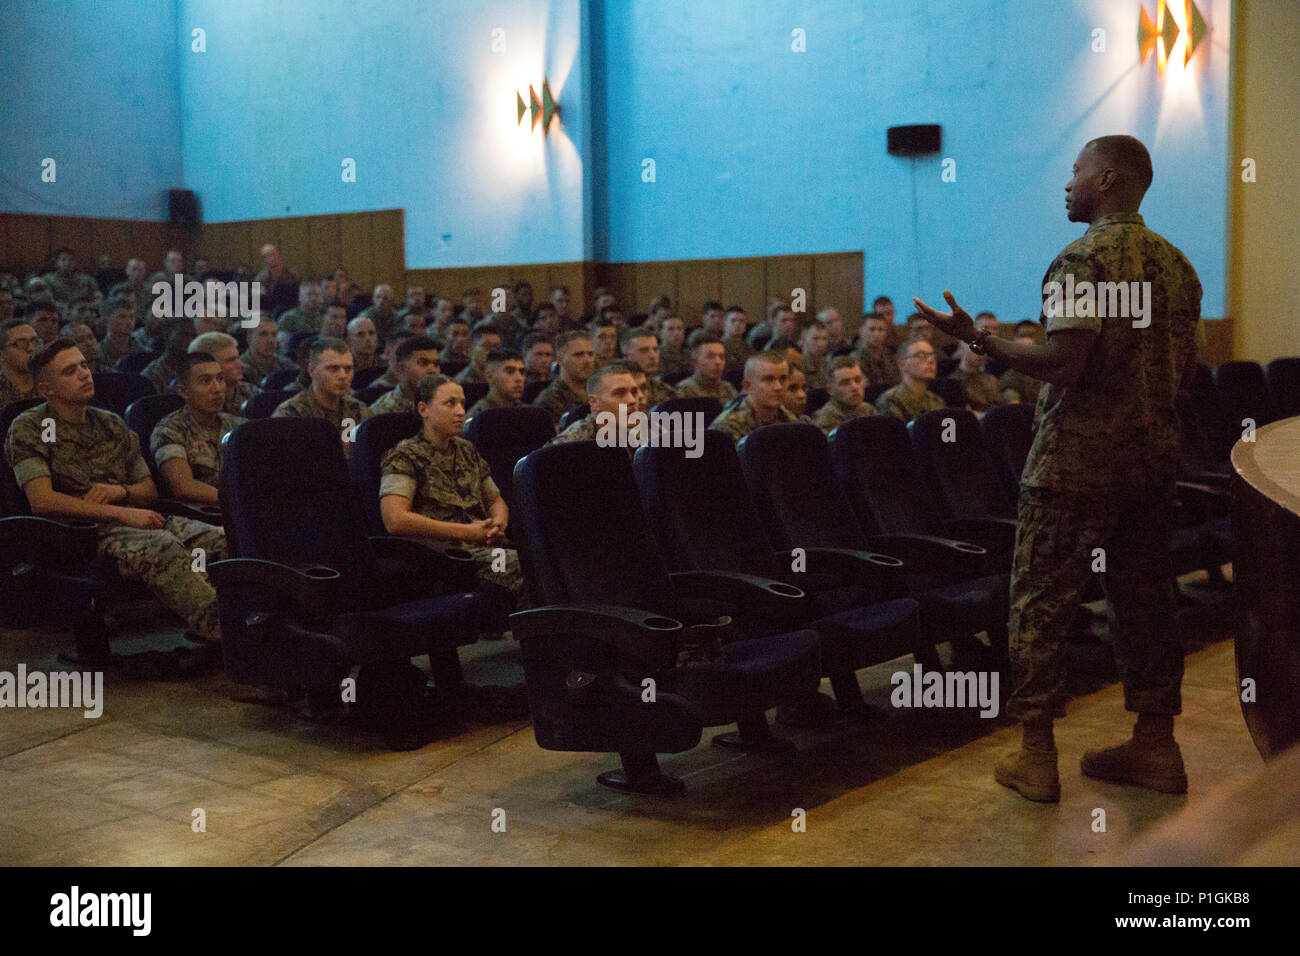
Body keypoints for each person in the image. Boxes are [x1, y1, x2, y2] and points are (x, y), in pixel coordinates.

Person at [913, 134, 1202, 803]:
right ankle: (1156, 747)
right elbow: (1186, 370)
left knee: (1040, 602)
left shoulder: (1080, 261)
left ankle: (1036, 755)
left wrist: (979, 339)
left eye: (1074, 174)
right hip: (1153, 459)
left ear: (1105, 180)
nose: (1066, 186)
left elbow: (1064, 363)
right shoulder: (1178, 266)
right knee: (1147, 600)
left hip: (1074, 463)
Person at [6, 338, 225, 640]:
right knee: (163, 547)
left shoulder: (110, 423)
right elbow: (42, 501)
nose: (85, 374)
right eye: (70, 371)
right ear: (47, 389)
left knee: (220, 539)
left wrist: (120, 493)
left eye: (84, 365)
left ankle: (242, 624)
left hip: (138, 518)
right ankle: (227, 633)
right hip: (83, 535)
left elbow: (148, 490)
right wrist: (119, 512)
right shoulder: (30, 426)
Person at [379, 373, 526, 610]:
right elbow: (395, 520)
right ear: (424, 409)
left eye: (462, 404)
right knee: (520, 564)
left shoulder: (466, 449)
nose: (460, 411)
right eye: (450, 404)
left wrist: (498, 522)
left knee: (542, 557)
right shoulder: (405, 455)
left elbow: (495, 499)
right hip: (446, 556)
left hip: (484, 547)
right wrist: (466, 532)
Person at [151, 351, 243, 505]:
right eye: (206, 381)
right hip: (202, 514)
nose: (217, 389)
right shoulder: (170, 429)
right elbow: (183, 487)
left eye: (220, 379)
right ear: (184, 391)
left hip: (243, 509)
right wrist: (237, 501)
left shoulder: (238, 426)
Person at [273, 337, 373, 455]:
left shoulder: (358, 410)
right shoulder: (290, 414)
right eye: (333, 369)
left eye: (348, 369)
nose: (343, 376)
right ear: (312, 370)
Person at [547, 361, 650, 450]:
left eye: (634, 392)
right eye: (620, 393)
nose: (632, 400)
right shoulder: (570, 445)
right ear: (594, 402)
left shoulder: (652, 433)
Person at [709, 351, 797, 443]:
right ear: (748, 386)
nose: (778, 387)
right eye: (769, 379)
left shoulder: (788, 418)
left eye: (783, 379)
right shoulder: (728, 425)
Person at [874, 337, 944, 423]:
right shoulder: (891, 400)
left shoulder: (937, 401)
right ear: (902, 364)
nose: (930, 360)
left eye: (933, 356)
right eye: (921, 356)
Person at [190, 331, 259, 416]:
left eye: (238, 358)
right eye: (230, 360)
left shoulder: (251, 392)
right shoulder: (195, 403)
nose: (240, 364)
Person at [533, 330, 593, 426]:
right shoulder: (548, 401)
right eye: (578, 355)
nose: (588, 360)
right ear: (560, 359)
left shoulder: (596, 392)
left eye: (590, 354)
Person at [370, 335, 442, 414]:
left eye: (436, 364)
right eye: (423, 363)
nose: (432, 370)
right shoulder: (382, 410)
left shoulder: (445, 402)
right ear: (400, 369)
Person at [812, 355, 875, 433]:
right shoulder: (825, 420)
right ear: (830, 390)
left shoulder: (869, 410)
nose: (855, 387)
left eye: (858, 380)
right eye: (845, 383)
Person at [620, 326, 677, 407]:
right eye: (644, 350)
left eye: (655, 350)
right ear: (626, 356)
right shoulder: (617, 392)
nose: (652, 356)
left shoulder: (666, 391)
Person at [140, 318, 197, 394]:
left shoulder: (195, 369)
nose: (190, 341)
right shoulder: (152, 374)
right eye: (184, 335)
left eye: (193, 337)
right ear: (167, 335)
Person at [675, 335, 738, 403]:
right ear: (695, 362)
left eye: (721, 357)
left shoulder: (728, 389)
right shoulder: (685, 391)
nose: (718, 362)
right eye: (710, 356)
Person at [466, 351, 526, 420]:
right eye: (510, 372)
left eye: (522, 372)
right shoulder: (478, 416)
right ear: (490, 377)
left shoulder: (528, 412)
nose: (519, 378)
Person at [241, 314, 297, 386]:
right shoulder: (241, 369)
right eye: (263, 334)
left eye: (274, 335)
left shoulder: (286, 365)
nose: (271, 340)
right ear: (249, 339)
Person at [1000, 321, 1046, 404]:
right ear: (1015, 339)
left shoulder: (1047, 369)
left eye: (1031, 335)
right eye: (1022, 335)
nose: (1027, 341)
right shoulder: (1007, 373)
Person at [0, 318, 39, 407]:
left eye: (35, 341)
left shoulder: (49, 385)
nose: (31, 348)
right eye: (21, 343)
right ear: (1, 354)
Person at [99, 296, 146, 370]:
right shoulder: (97, 354)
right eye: (122, 317)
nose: (129, 322)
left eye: (132, 317)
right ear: (106, 320)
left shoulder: (142, 353)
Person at [857, 311, 900, 387]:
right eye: (872, 329)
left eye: (881, 330)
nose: (876, 334)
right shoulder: (855, 359)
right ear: (861, 331)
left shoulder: (892, 357)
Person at [798, 320, 831, 390]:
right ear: (803, 338)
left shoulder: (828, 365)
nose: (821, 344)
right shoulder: (797, 366)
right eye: (815, 339)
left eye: (824, 339)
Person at [657, 314, 691, 378]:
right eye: (671, 329)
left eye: (679, 328)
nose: (676, 333)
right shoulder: (656, 355)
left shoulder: (689, 354)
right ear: (661, 333)